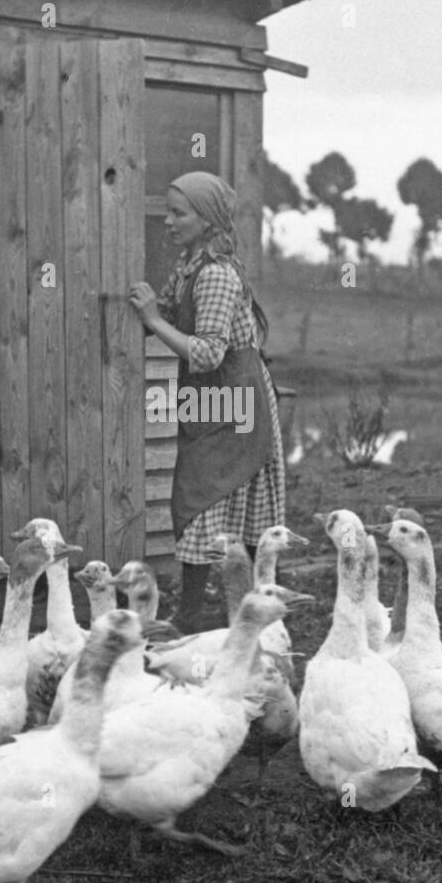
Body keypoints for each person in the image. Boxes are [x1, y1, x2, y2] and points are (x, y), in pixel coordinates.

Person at [127, 171, 286, 633]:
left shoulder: (216, 275)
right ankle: (203, 613)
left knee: (214, 492)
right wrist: (155, 313)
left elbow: (207, 351)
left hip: (234, 395)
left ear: (208, 219)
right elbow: (181, 323)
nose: (168, 221)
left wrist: (154, 320)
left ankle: (249, 609)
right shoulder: (191, 265)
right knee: (199, 490)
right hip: (210, 395)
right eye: (169, 211)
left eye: (179, 213)